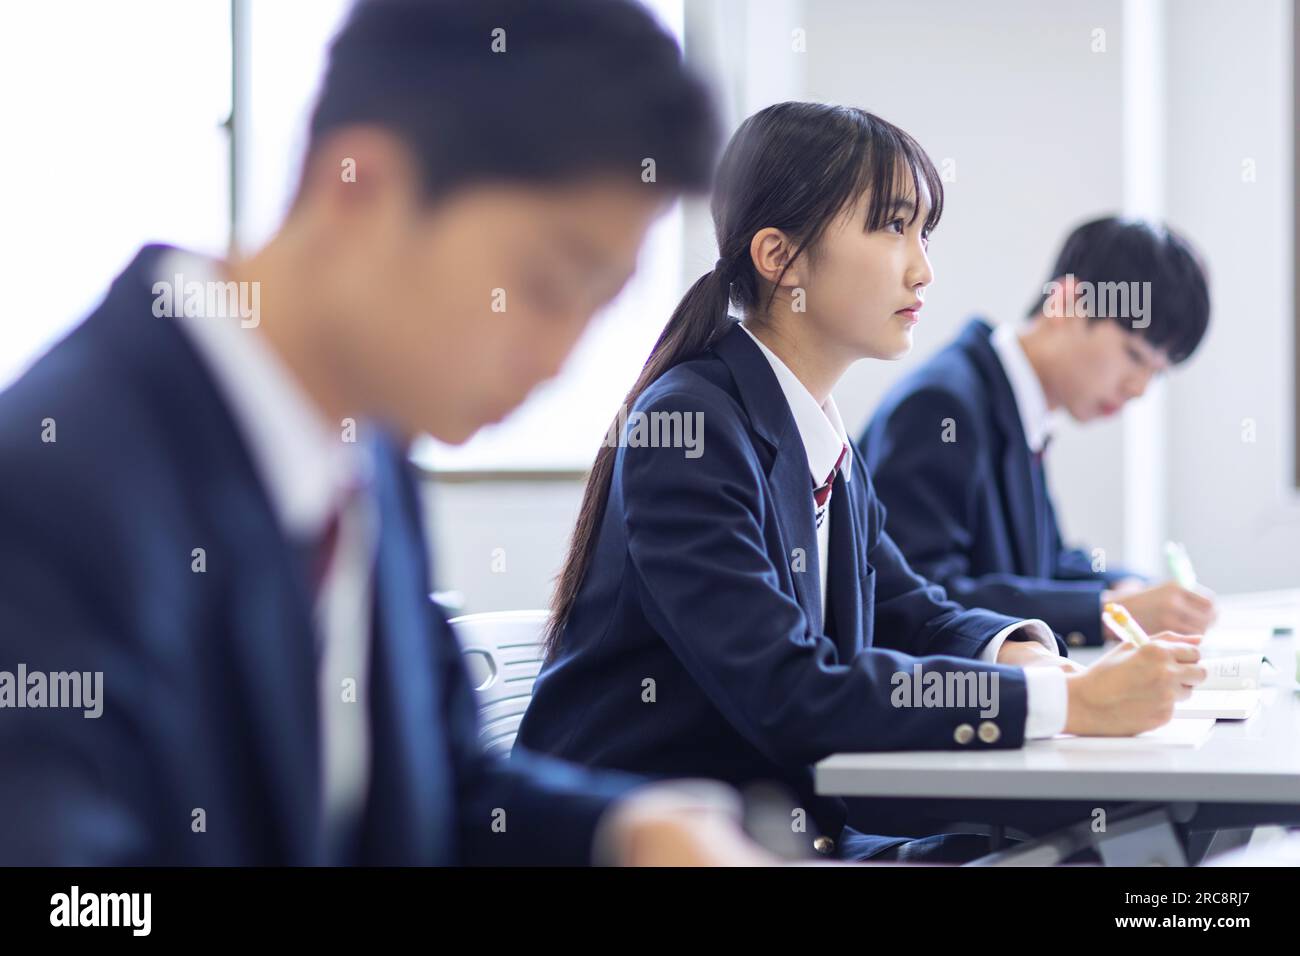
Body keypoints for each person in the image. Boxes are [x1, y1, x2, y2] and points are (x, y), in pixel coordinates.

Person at [0, 0, 773, 866]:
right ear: (357, 187)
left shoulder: (366, 447)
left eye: (599, 309)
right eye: (549, 285)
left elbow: (437, 791)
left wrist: (624, 833)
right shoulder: (52, 484)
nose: (560, 359)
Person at [516, 103, 1204, 862]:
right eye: (890, 227)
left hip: (790, 827)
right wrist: (1064, 701)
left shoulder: (818, 435)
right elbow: (788, 687)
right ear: (781, 257)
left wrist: (1018, 657)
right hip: (683, 841)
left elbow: (914, 610)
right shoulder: (691, 429)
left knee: (1145, 847)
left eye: (924, 233)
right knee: (1132, 861)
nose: (923, 267)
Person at [860, 217, 1215, 647]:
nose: (1138, 389)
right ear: (1067, 302)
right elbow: (919, 596)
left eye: (1156, 374)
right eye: (1134, 355)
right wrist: (1105, 611)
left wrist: (1136, 588)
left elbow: (1044, 564)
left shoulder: (1015, 404)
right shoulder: (943, 407)